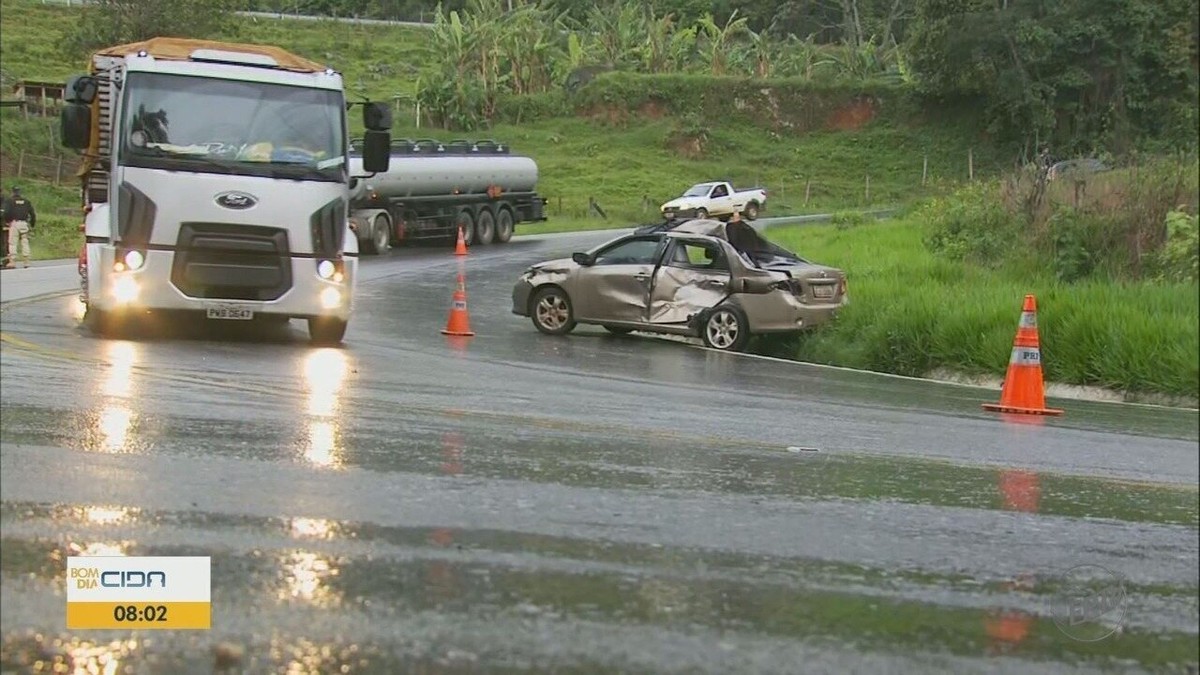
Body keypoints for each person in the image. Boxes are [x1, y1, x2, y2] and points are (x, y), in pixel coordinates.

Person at [3, 186, 36, 269]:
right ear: (20, 192)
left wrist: (7, 221)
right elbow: (32, 214)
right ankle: (26, 261)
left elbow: (6, 212)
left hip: (14, 223)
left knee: (13, 243)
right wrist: (32, 224)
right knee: (25, 242)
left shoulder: (9, 201)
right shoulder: (26, 201)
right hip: (24, 224)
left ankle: (12, 261)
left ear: (13, 192)